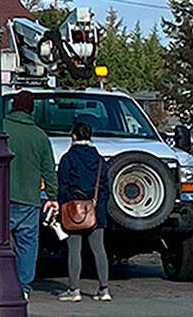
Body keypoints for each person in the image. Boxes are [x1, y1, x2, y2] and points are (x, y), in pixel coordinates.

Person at [4, 91, 58, 299]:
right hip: (29, 198)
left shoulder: (0, 127)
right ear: (31, 110)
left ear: (12, 107)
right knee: (27, 245)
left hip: (1, 198)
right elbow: (48, 170)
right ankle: (23, 287)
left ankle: (0, 281)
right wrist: (53, 197)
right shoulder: (39, 135)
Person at [56, 120, 111, 303]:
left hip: (74, 209)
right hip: (96, 209)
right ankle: (104, 289)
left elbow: (62, 185)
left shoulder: (68, 158)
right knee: (99, 250)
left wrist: (62, 207)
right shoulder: (100, 160)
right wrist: (98, 205)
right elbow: (105, 187)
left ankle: (74, 290)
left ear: (73, 136)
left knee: (74, 249)